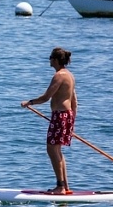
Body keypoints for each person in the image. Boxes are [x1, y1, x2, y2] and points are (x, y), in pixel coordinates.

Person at [21, 47, 78, 195]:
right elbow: (74, 101)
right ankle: (65, 186)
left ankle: (60, 187)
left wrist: (29, 102)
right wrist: (72, 121)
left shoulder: (59, 76)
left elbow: (46, 97)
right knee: (56, 150)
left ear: (56, 60)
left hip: (60, 116)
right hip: (66, 115)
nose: (49, 60)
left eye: (51, 57)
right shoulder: (70, 76)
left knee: (52, 149)